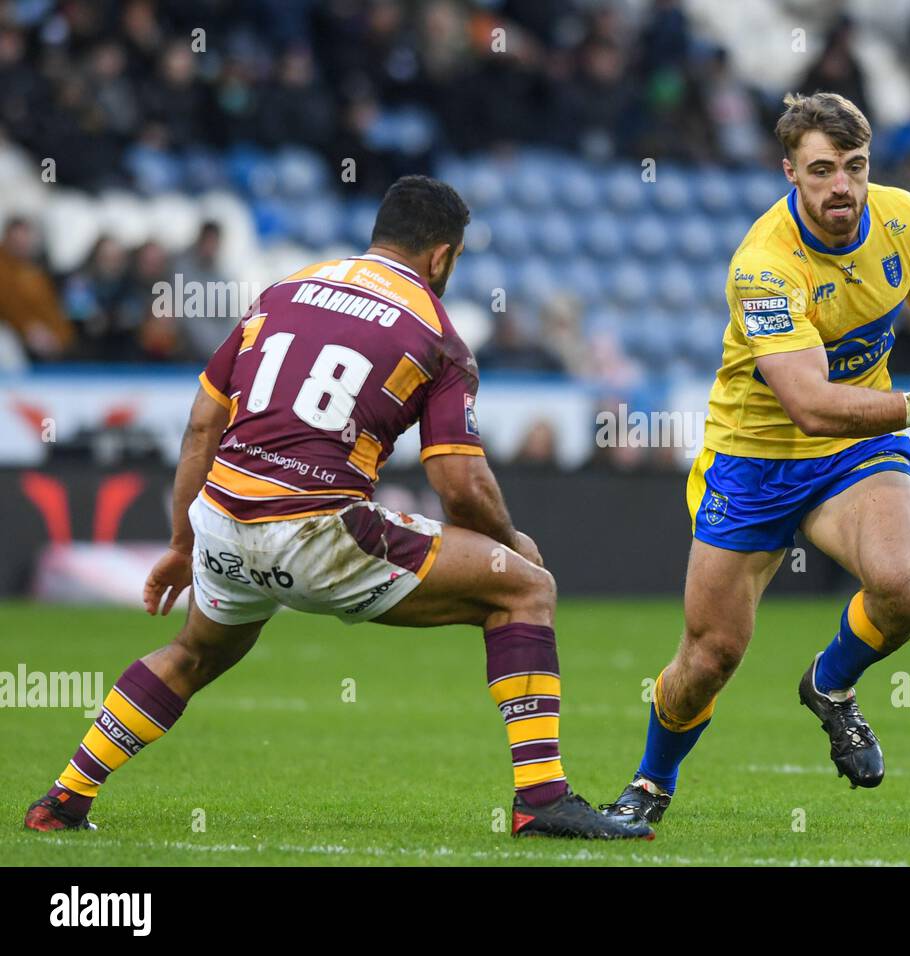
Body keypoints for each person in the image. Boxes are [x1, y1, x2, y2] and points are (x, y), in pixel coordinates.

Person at [24, 175, 651, 841]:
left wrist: (182, 544)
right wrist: (511, 541)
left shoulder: (283, 292)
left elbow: (203, 426)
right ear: (442, 256)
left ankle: (65, 797)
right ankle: (542, 798)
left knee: (193, 653)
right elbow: (460, 485)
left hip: (225, 519)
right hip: (318, 528)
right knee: (525, 591)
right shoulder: (437, 334)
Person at [602, 92, 910, 824]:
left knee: (905, 584)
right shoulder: (764, 266)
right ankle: (649, 785)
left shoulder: (906, 220)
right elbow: (807, 401)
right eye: (823, 170)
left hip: (853, 450)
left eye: (855, 167)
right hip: (755, 458)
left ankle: (830, 686)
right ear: (789, 172)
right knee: (709, 659)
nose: (842, 187)